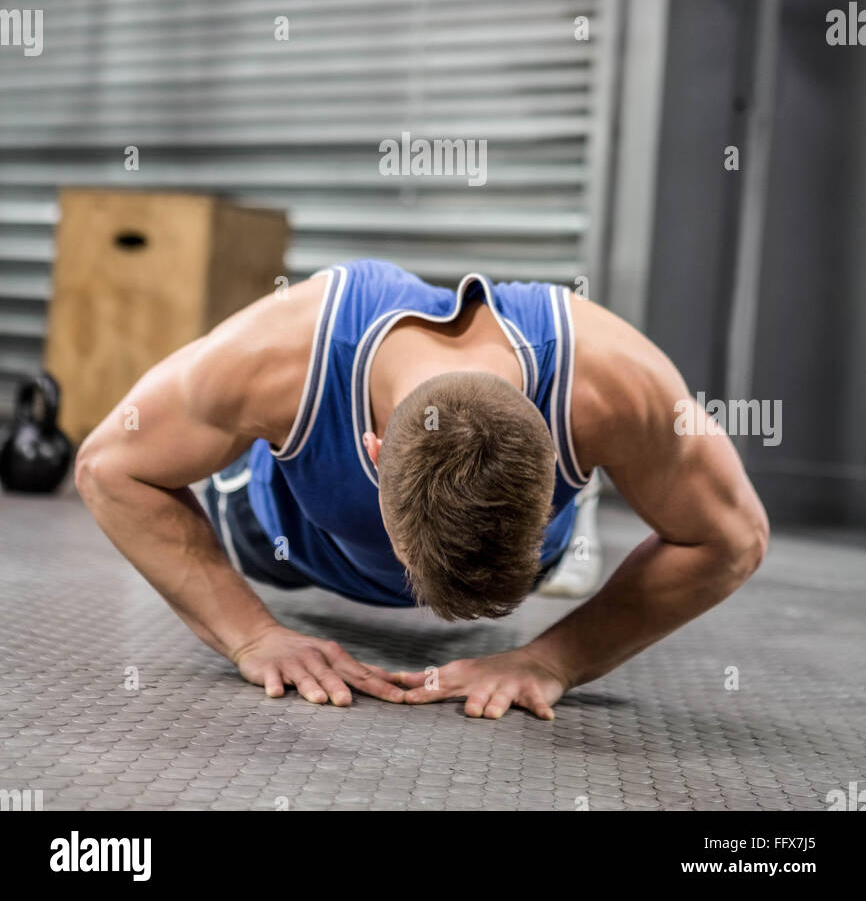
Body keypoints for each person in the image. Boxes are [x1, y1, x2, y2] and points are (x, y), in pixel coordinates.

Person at [75, 258, 768, 721]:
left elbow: (734, 539)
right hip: (290, 534)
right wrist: (250, 636)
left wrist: (553, 658)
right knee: (199, 471)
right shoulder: (278, 355)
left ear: (556, 448)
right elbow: (108, 466)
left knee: (578, 543)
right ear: (372, 452)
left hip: (529, 553)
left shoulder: (611, 386)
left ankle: (563, 526)